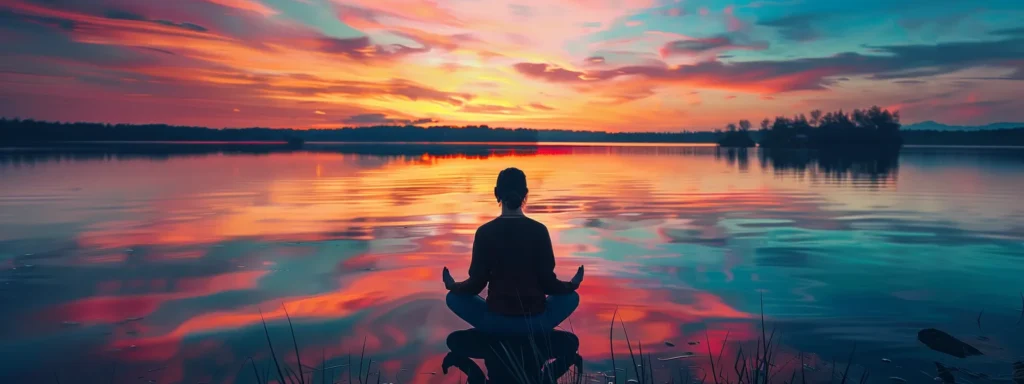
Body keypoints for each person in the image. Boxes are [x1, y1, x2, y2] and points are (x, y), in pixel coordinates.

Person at [442, 167, 584, 333]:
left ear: (496, 193)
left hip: (496, 321)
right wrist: (571, 285)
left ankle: (495, 336)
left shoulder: (485, 232)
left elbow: (476, 285)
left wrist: (454, 286)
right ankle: (538, 337)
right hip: (535, 322)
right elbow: (548, 284)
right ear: (525, 194)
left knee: (453, 298)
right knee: (572, 297)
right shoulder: (539, 230)